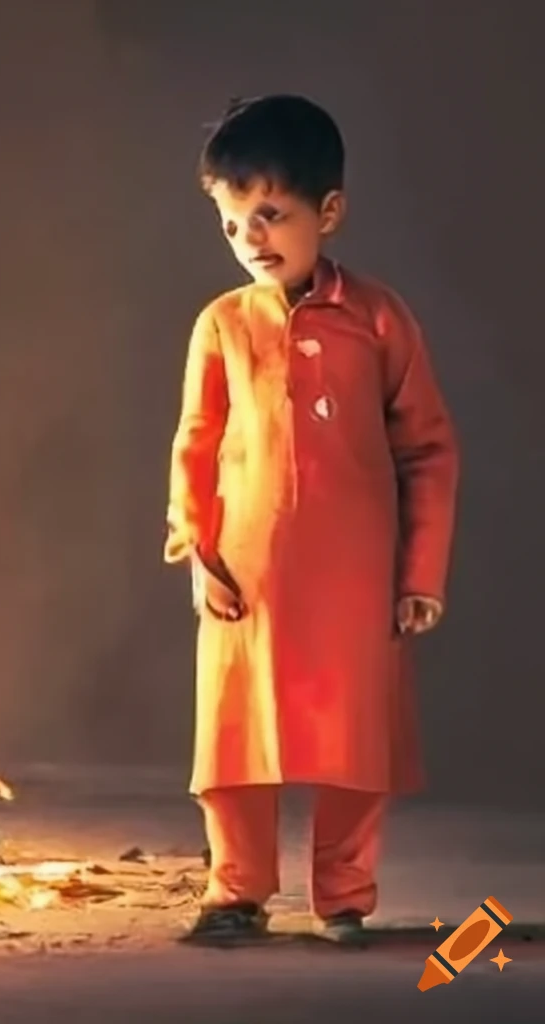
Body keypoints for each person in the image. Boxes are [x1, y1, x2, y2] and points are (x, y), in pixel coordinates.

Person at [164, 94, 459, 944]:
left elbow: (429, 451)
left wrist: (420, 575)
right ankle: (236, 892)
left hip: (356, 576)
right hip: (243, 575)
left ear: (327, 211)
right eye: (230, 224)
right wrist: (196, 547)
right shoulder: (221, 323)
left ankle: (343, 896)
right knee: (230, 744)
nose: (249, 239)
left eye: (268, 215)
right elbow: (196, 440)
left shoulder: (378, 318)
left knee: (355, 741)